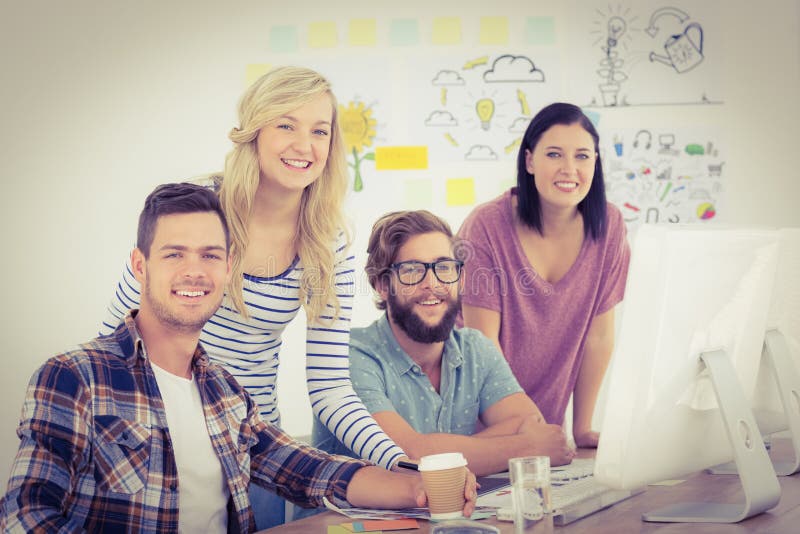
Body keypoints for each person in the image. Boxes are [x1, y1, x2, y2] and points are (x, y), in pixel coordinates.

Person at [0, 183, 476, 533]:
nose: (194, 270)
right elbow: (25, 517)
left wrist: (419, 486)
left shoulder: (226, 394)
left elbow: (309, 470)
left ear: (229, 269)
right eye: (174, 254)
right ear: (140, 266)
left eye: (210, 255)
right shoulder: (73, 378)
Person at [99, 67, 406, 528]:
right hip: (156, 438)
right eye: (286, 125)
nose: (304, 146)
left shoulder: (329, 240)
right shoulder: (196, 209)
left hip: (253, 446)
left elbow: (329, 387)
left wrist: (401, 465)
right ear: (254, 132)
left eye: (319, 131)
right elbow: (114, 339)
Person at [313, 210, 575, 476]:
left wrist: (438, 450)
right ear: (382, 284)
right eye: (412, 270)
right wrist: (528, 448)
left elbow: (530, 422)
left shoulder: (475, 349)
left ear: (460, 278)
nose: (432, 283)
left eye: (444, 267)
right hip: (341, 518)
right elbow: (410, 459)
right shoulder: (350, 358)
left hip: (443, 515)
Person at [457, 103, 631, 448]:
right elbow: (482, 347)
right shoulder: (486, 226)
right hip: (476, 431)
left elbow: (598, 340)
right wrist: (526, 426)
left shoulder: (609, 227)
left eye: (582, 156)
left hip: (545, 436)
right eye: (554, 154)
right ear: (530, 161)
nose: (570, 169)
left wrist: (581, 429)